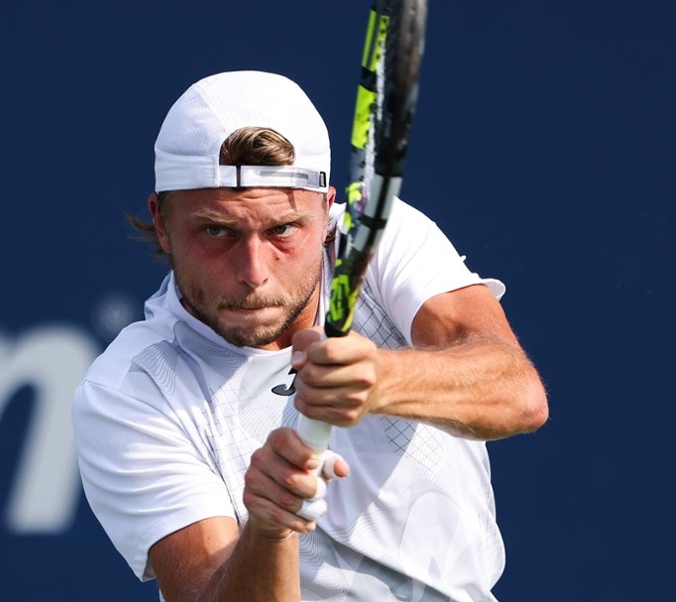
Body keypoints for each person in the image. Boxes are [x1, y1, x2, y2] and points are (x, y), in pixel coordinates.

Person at [71, 70, 548, 602]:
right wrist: (270, 528)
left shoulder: (372, 241)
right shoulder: (131, 389)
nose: (254, 273)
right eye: (217, 231)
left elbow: (518, 394)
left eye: (282, 230)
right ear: (162, 221)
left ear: (326, 212)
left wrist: (381, 379)